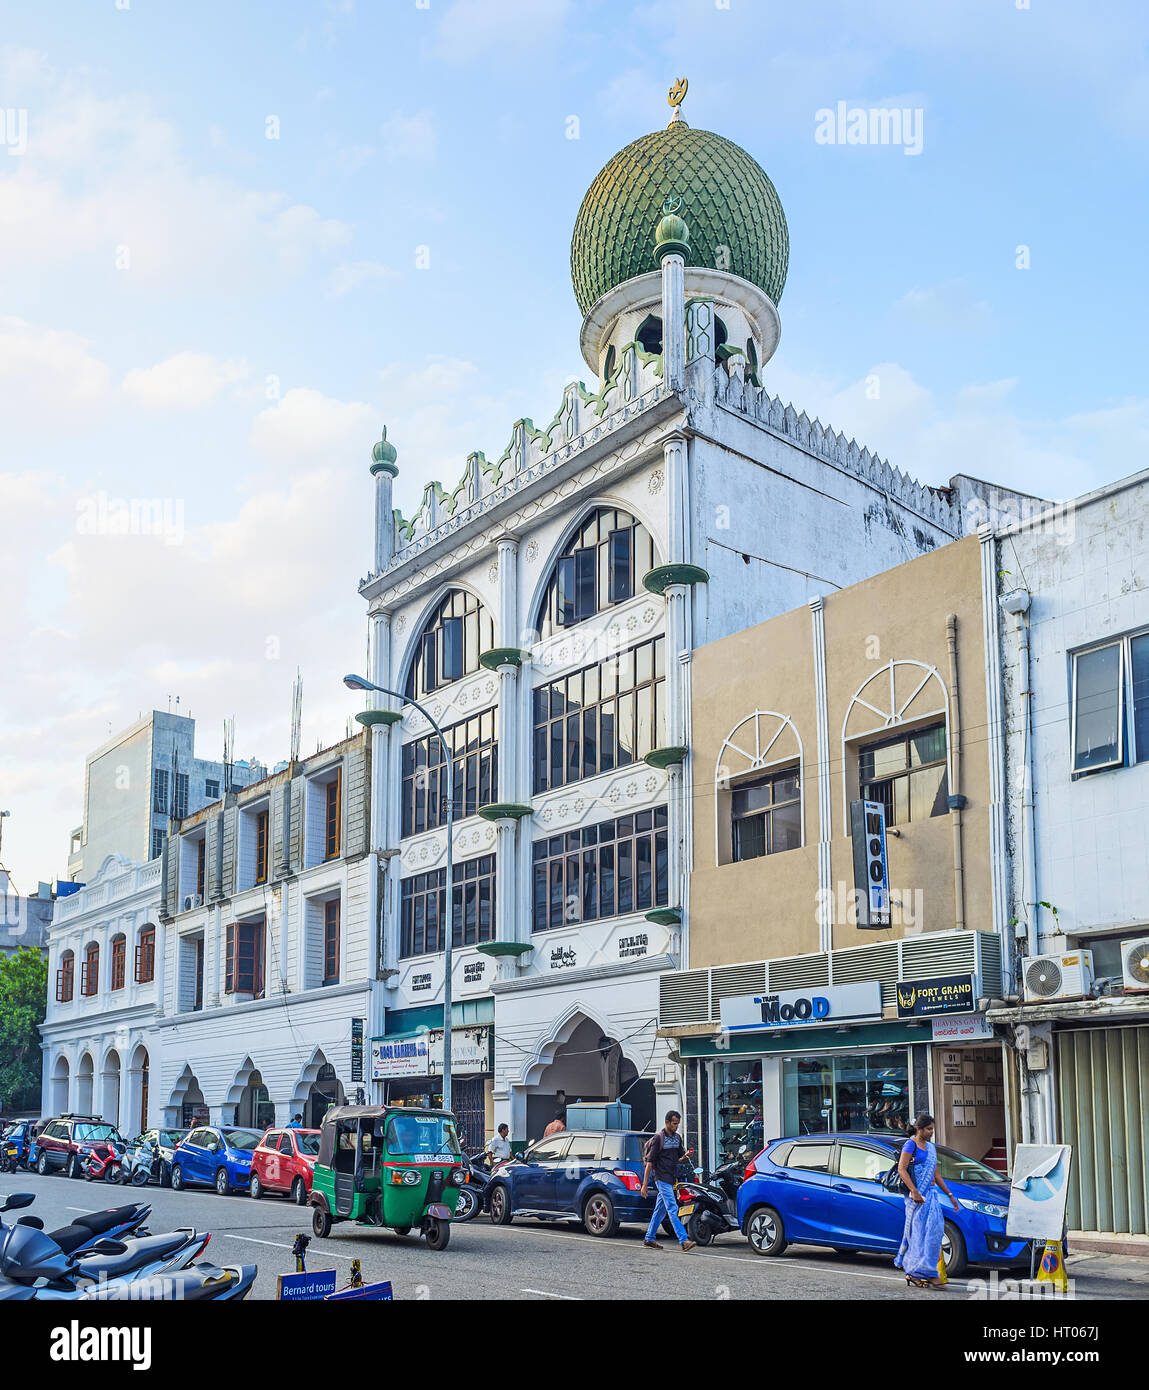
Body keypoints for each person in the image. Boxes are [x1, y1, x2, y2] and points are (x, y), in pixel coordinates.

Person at [894, 1113, 958, 1289]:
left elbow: (936, 1175)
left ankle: (923, 1271)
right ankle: (920, 1272)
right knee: (919, 1236)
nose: (931, 1132)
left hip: (931, 1196)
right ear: (919, 1129)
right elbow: (902, 1169)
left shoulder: (931, 1148)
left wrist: (950, 1195)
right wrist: (914, 1191)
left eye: (932, 1129)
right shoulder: (910, 1144)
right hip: (917, 1198)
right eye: (929, 1129)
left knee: (934, 1234)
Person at [639, 1111, 696, 1253]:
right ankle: (683, 1240)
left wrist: (686, 1156)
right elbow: (650, 1163)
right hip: (661, 1178)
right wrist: (644, 1185)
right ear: (667, 1122)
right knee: (672, 1208)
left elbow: (679, 1159)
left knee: (660, 1209)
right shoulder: (659, 1139)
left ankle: (649, 1238)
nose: (677, 1126)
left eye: (678, 1124)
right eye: (674, 1123)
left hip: (671, 1178)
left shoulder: (677, 1138)